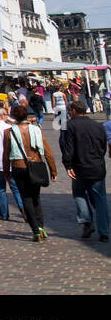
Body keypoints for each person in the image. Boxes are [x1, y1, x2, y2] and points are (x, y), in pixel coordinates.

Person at [3, 105, 58, 242]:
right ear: (27, 115)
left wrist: (6, 172)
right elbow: (47, 151)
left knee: (26, 198)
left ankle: (35, 230)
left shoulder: (9, 132)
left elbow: (6, 154)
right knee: (36, 197)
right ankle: (40, 226)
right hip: (36, 164)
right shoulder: (36, 129)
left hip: (18, 166)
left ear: (14, 117)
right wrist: (53, 170)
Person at [60, 101, 109, 242]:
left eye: (70, 111)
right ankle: (104, 232)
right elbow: (103, 147)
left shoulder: (71, 126)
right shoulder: (98, 126)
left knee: (79, 194)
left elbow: (68, 148)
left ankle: (87, 222)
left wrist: (68, 165)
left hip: (79, 167)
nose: (69, 113)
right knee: (100, 199)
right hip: (97, 166)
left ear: (74, 110)